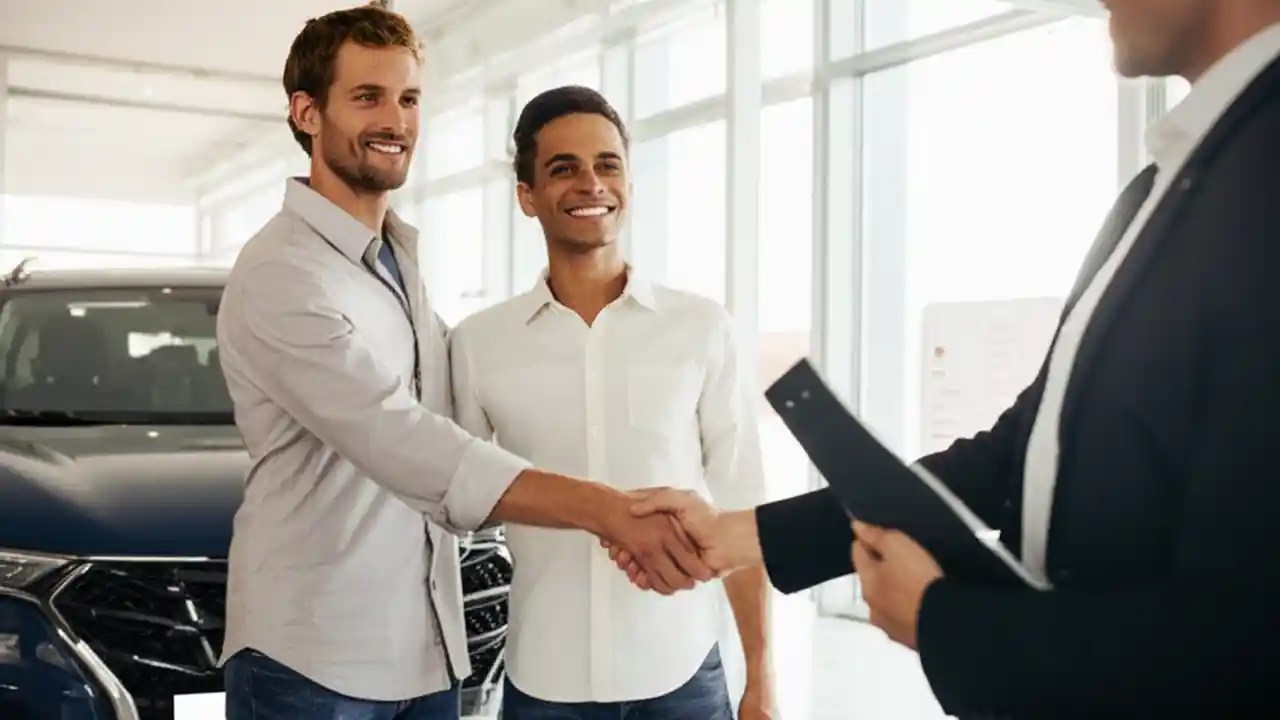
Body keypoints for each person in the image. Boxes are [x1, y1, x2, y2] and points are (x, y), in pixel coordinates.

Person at [608, 0, 1280, 717]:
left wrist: (945, 622)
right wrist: (736, 535)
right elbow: (1021, 451)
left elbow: (1243, 635)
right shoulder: (1158, 191)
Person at [215, 8, 710, 719]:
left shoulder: (393, 262)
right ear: (307, 113)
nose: (395, 120)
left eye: (409, 99)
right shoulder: (283, 273)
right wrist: (609, 511)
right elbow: (403, 440)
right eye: (367, 97)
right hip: (314, 659)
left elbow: (459, 403)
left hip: (425, 651)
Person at [447, 86, 776, 720]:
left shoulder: (700, 327)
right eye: (563, 168)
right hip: (545, 679)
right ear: (527, 196)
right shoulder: (478, 344)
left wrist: (761, 677)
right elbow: (452, 501)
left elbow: (744, 503)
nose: (591, 183)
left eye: (607, 164)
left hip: (681, 673)